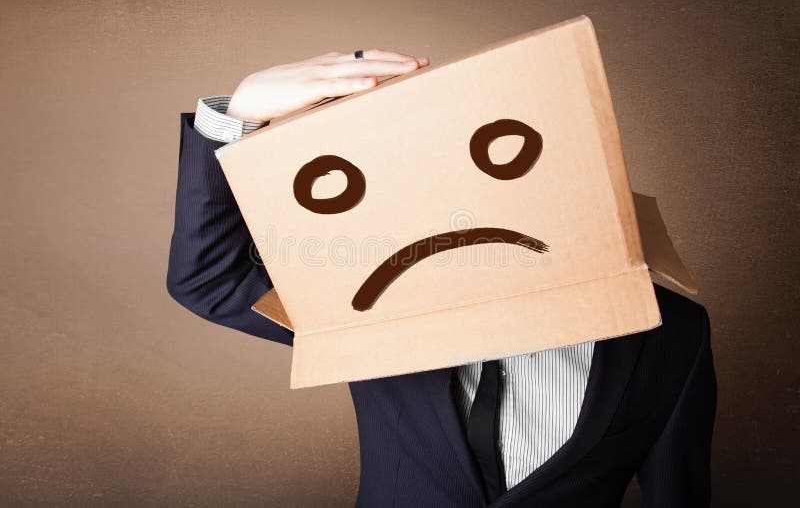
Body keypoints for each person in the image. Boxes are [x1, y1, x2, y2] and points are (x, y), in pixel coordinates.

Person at [166, 49, 717, 507]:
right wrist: (233, 118)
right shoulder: (378, 308)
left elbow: (680, 494)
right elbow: (210, 280)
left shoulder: (674, 335)